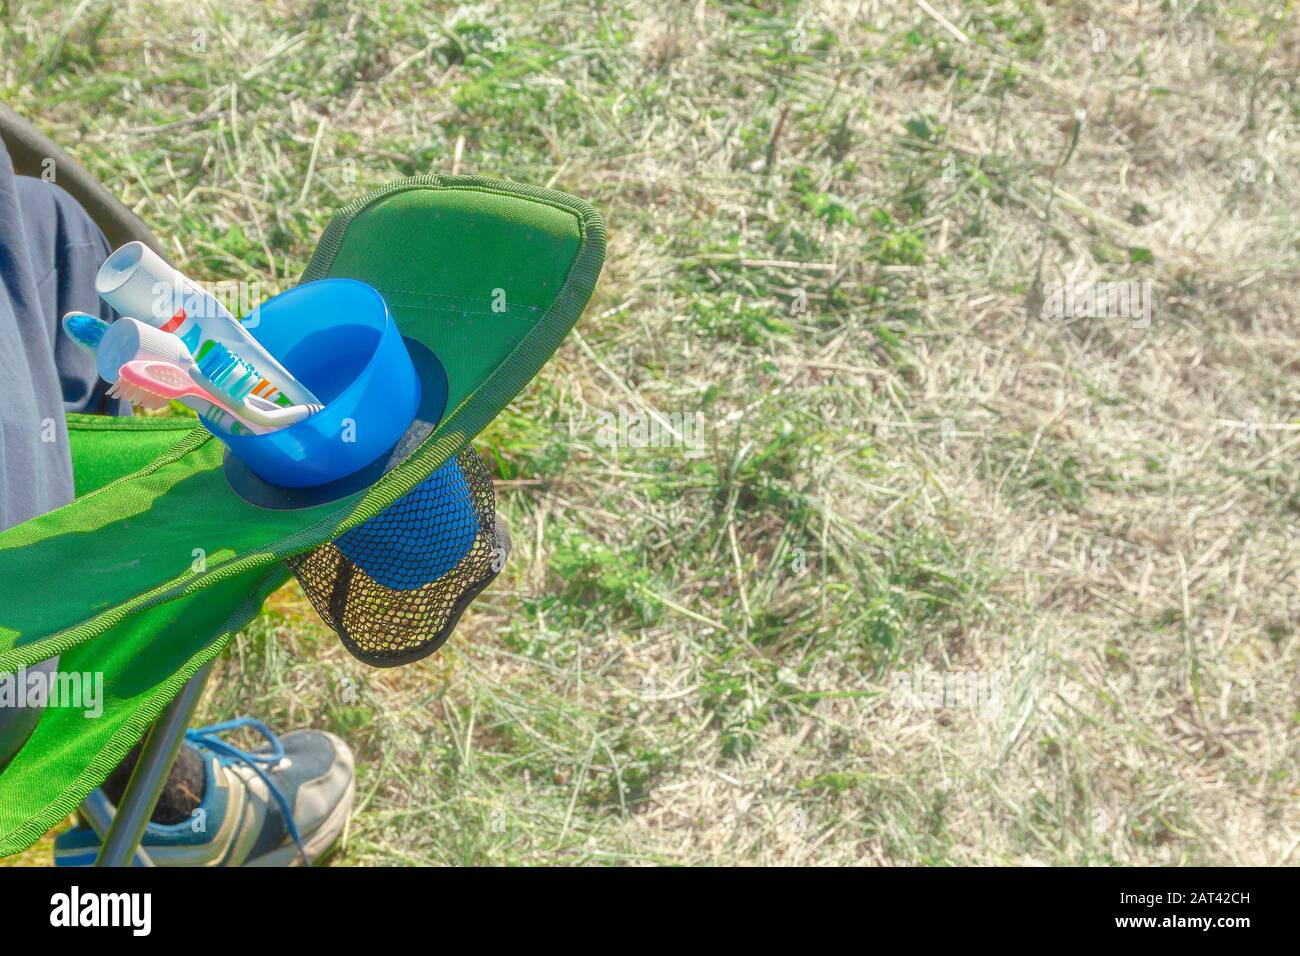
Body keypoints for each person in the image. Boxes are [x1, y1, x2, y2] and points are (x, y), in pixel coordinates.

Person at [0, 138, 354, 866]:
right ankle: (164, 799)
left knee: (53, 230)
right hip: (12, 666)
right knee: (52, 239)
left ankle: (138, 780)